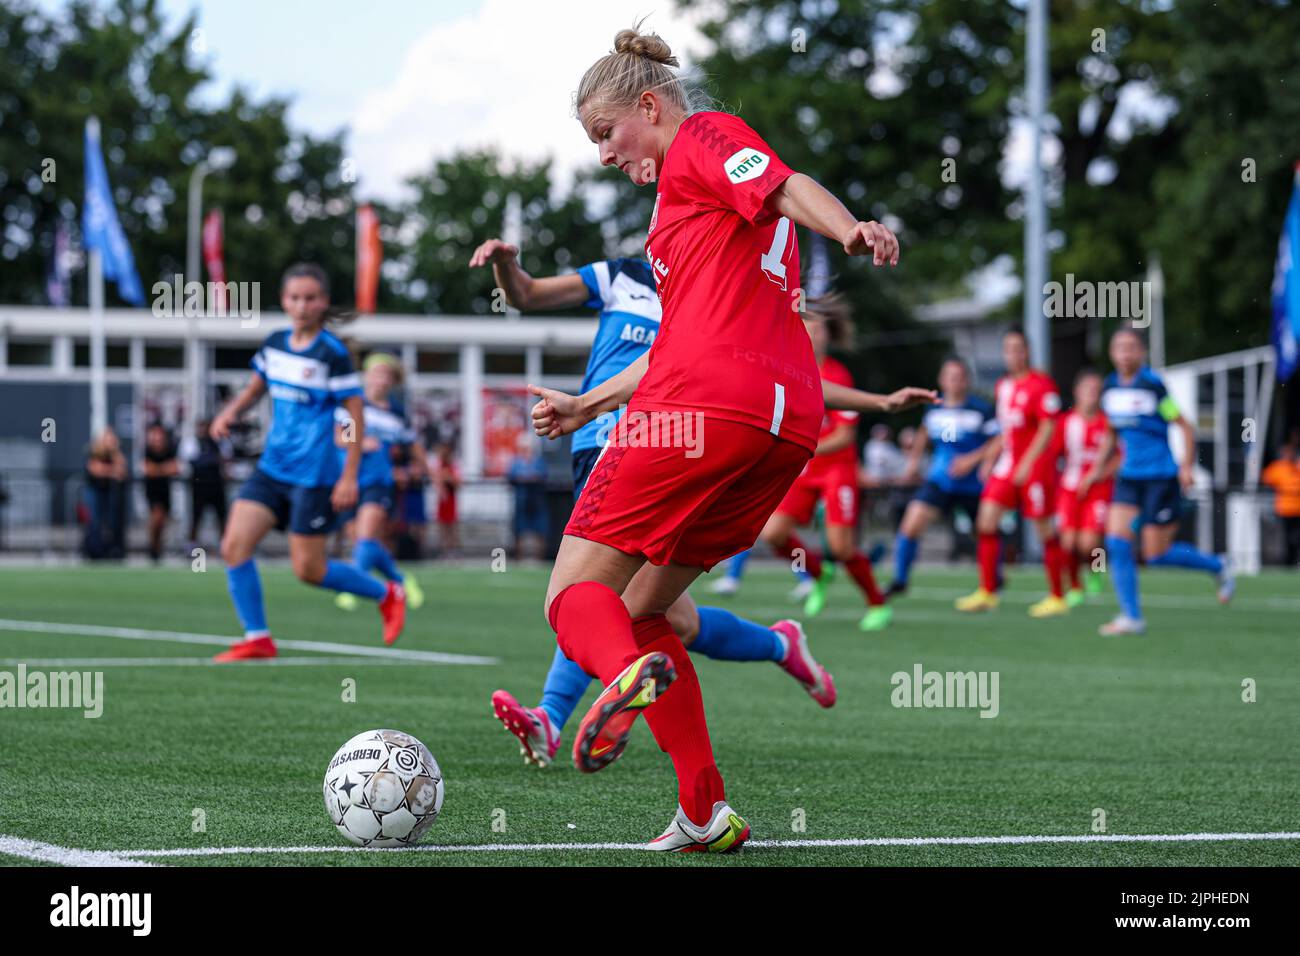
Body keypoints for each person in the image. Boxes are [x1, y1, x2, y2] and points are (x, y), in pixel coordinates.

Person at [524, 25, 931, 851]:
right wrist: (586, 405)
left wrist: (849, 227)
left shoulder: (702, 137)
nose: (604, 154)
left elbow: (785, 184)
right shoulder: (689, 214)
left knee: (571, 600)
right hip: (779, 427)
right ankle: (704, 812)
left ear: (650, 104)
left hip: (699, 412)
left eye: (605, 133)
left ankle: (620, 683)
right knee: (648, 613)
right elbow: (685, 336)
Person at [468, 235, 838, 776]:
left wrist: (874, 402)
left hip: (663, 445)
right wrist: (506, 265)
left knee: (596, 594)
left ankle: (556, 713)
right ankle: (779, 648)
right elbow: (524, 294)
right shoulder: (620, 276)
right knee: (661, 616)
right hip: (598, 441)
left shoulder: (710, 294)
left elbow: (783, 370)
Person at [208, 263, 406, 661]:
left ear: (323, 302)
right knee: (233, 546)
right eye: (295, 297)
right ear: (284, 301)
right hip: (272, 468)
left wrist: (349, 474)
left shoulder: (331, 354)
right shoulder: (275, 343)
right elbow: (256, 387)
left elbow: (353, 416)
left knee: (309, 570)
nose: (302, 305)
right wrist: (230, 412)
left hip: (314, 477)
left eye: (310, 298)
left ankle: (386, 593)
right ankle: (258, 637)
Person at [758, 293, 893, 631]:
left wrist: (802, 447)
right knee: (772, 534)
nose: (813, 333)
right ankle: (818, 573)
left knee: (841, 546)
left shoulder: (838, 375)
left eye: (819, 328)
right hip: (805, 470)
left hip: (836, 470)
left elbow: (845, 436)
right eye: (807, 326)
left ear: (829, 334)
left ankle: (877, 602)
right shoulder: (788, 371)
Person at [1095, 328, 1233, 635]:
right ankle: (1132, 617)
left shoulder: (1152, 386)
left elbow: (1184, 426)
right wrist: (1098, 466)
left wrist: (1186, 466)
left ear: (1141, 353)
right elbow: (1111, 433)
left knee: (1156, 555)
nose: (1126, 354)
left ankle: (1218, 566)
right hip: (1129, 478)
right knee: (1116, 542)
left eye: (1131, 348)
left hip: (1160, 477)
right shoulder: (1110, 387)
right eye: (1120, 348)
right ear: (1112, 353)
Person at [955, 328, 1068, 617]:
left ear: (1027, 351)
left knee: (1044, 529)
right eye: (1008, 349)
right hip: (1007, 466)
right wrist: (988, 460)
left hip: (1036, 469)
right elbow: (1005, 431)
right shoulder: (1003, 386)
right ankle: (987, 591)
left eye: (1018, 348)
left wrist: (1028, 463)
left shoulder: (1042, 385)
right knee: (986, 522)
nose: (1013, 354)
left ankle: (1058, 596)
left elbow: (1048, 427)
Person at [888, 357, 997, 600]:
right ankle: (900, 579)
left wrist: (972, 460)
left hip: (972, 484)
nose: (954, 381)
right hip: (940, 481)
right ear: (941, 380)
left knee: (985, 531)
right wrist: (913, 462)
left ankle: (994, 577)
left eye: (959, 377)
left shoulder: (980, 409)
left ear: (967, 380)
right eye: (950, 376)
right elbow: (923, 433)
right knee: (912, 522)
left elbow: (996, 440)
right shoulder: (933, 408)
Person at [332, 352, 426, 612]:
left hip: (378, 482)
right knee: (365, 543)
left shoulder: (397, 413)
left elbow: (412, 446)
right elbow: (340, 438)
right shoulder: (353, 405)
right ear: (366, 376)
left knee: (365, 537)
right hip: (348, 481)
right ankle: (402, 580)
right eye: (376, 373)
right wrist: (361, 443)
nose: (380, 379)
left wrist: (419, 469)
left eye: (386, 375)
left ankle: (352, 588)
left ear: (393, 380)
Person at [1054, 369, 1117, 606]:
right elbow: (1053, 453)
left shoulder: (1108, 423)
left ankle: (1096, 571)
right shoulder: (1066, 422)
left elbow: (1119, 455)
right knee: (1068, 542)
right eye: (1087, 388)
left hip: (1099, 490)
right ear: (1077, 392)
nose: (1092, 393)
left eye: (1096, 390)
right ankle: (1075, 585)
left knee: (1090, 543)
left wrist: (1101, 472)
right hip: (1070, 489)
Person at [83, 427, 127, 560]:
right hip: (95, 492)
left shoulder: (116, 454)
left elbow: (122, 472)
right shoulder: (94, 452)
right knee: (94, 522)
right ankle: (93, 551)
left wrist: (114, 453)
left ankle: (112, 550)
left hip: (110, 494)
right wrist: (111, 471)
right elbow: (95, 469)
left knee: (113, 523)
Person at [186, 418, 229, 549]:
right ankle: (191, 545)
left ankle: (224, 545)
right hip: (199, 485)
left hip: (216, 484)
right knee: (196, 516)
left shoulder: (220, 443)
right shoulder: (192, 443)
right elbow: (192, 461)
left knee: (221, 516)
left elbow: (226, 460)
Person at [506, 434, 550, 559]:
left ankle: (540, 557)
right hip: (522, 501)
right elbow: (511, 476)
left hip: (537, 501)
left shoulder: (539, 462)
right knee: (519, 530)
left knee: (541, 530)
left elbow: (544, 475)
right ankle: (519, 557)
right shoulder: (516, 463)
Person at [1261, 428, 1300, 565]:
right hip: (1284, 509)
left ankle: (1294, 561)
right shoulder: (1278, 467)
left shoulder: (1296, 467)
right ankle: (1287, 562)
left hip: (1297, 509)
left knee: (1295, 538)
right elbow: (1265, 479)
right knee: (1286, 539)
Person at [141, 422, 179, 562]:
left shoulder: (169, 449)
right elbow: (148, 470)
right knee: (156, 517)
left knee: (162, 521)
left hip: (165, 490)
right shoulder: (148, 450)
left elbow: (175, 468)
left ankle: (157, 548)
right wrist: (163, 469)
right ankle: (153, 548)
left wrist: (158, 470)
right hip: (152, 490)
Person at [431, 443, 460, 556]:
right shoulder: (438, 466)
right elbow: (436, 482)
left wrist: (448, 478)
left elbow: (457, 483)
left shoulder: (453, 466)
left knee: (452, 525)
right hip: (442, 499)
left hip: (451, 499)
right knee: (442, 525)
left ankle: (453, 549)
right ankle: (444, 549)